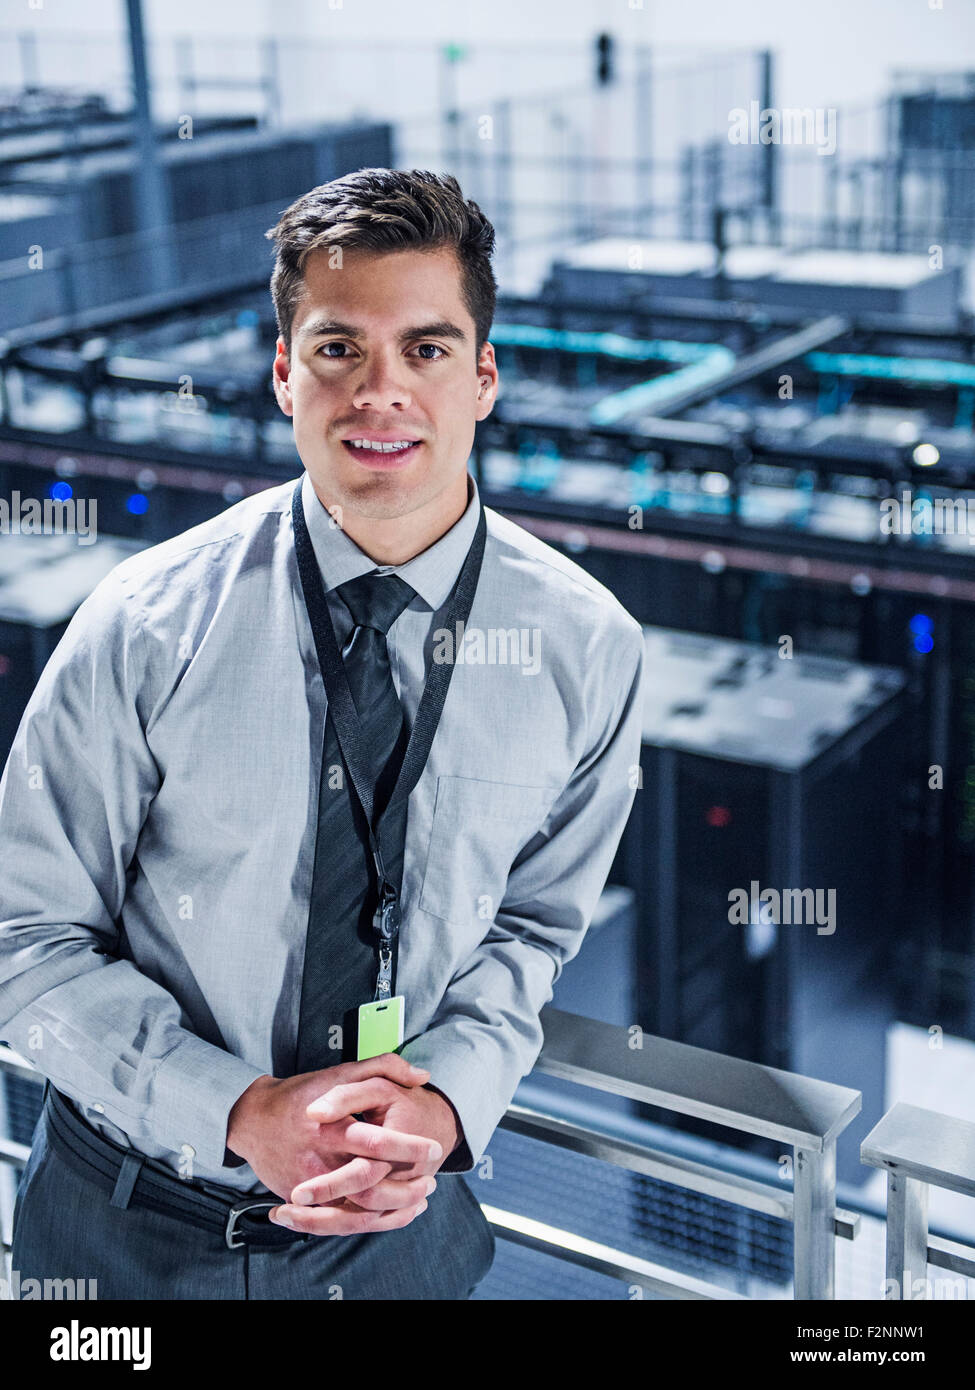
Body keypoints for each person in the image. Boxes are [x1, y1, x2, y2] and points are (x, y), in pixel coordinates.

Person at [0, 167, 645, 1300]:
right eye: (339, 349)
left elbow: (535, 928)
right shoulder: (147, 625)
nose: (380, 392)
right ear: (285, 373)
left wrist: (448, 1099)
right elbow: (21, 938)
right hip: (120, 1242)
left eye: (429, 350)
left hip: (407, 1242)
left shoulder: (587, 649)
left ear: (484, 377)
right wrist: (235, 1111)